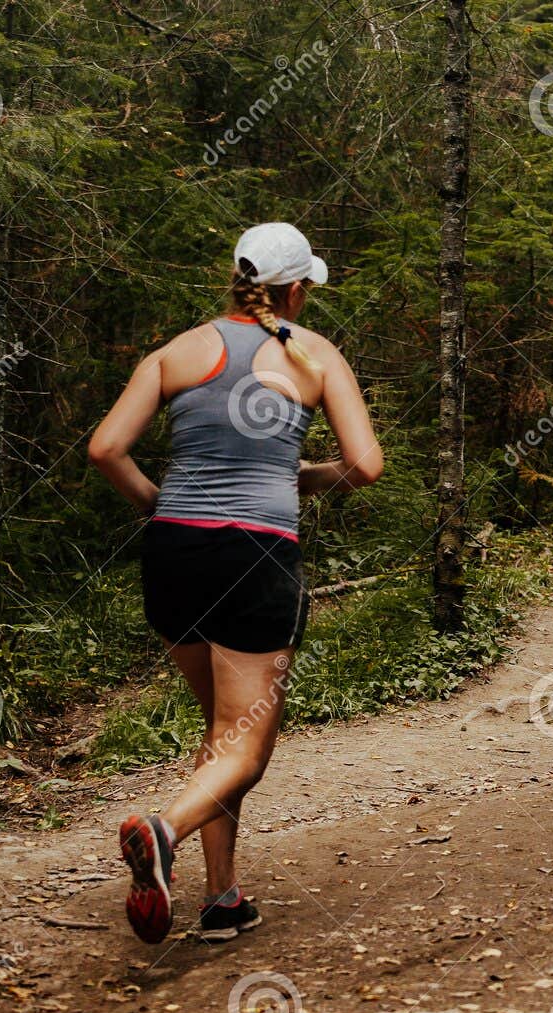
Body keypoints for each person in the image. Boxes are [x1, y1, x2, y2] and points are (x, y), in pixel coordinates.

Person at [88, 222, 383, 943]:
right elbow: (366, 464)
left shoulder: (176, 351)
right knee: (244, 747)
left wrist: (161, 505)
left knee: (221, 732)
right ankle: (164, 830)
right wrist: (296, 476)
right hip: (255, 554)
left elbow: (105, 447)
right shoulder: (312, 354)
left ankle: (222, 899)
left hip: (175, 554)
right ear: (293, 288)